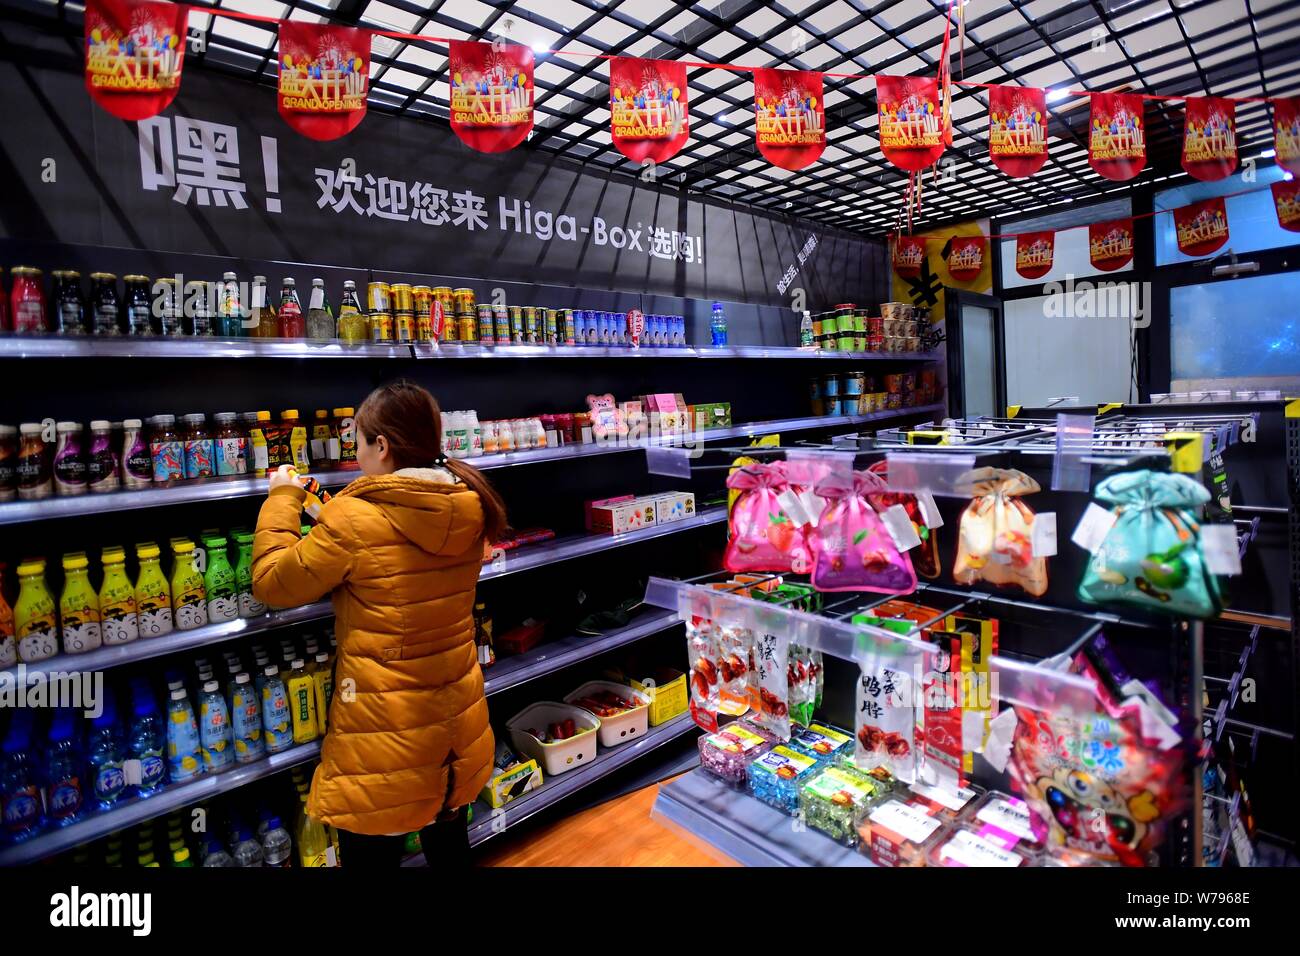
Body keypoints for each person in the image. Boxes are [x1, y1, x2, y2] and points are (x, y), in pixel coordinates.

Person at [252, 380, 507, 867]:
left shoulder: (353, 520)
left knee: (371, 851)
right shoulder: (468, 505)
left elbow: (272, 582)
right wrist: (338, 523)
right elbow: (400, 560)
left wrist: (283, 498)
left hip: (383, 738)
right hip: (456, 726)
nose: (357, 454)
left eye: (359, 442)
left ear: (382, 446)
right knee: (450, 843)